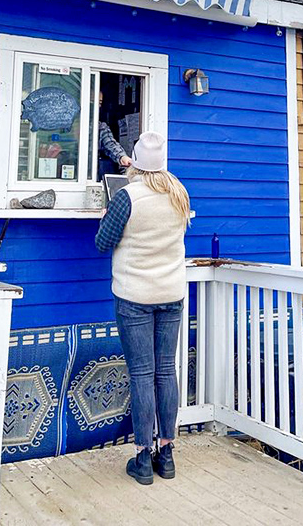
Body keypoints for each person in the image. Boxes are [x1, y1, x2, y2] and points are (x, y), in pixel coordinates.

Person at [95, 131, 190, 485]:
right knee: (166, 372)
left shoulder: (126, 196)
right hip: (171, 294)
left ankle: (141, 457)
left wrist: (106, 216)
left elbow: (103, 242)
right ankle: (166, 455)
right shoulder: (178, 194)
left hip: (135, 296)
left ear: (134, 160)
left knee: (141, 375)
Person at [97, 91, 131, 178]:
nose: (97, 106)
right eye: (92, 101)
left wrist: (122, 157)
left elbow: (110, 144)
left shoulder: (100, 127)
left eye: (100, 102)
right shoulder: (69, 124)